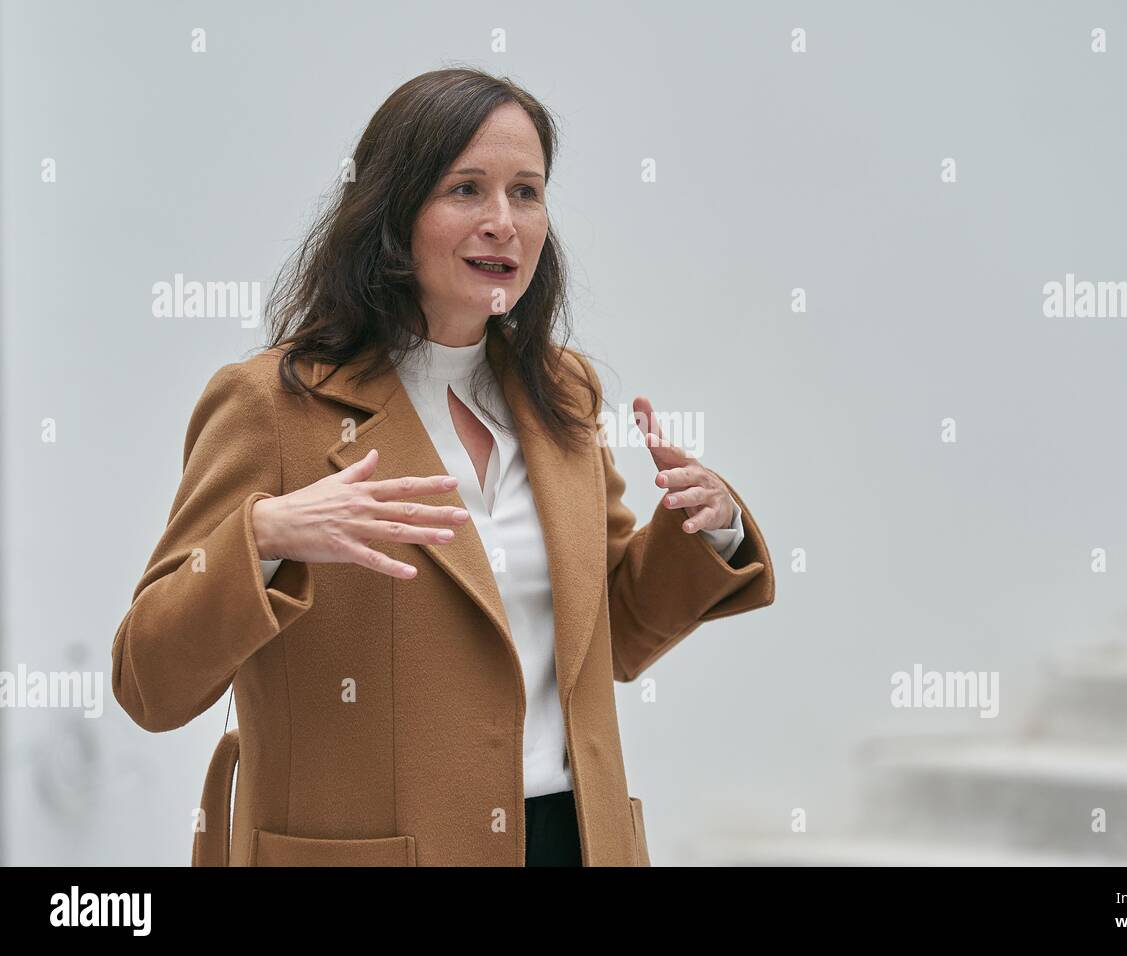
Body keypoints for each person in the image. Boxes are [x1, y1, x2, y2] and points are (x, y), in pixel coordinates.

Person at [111, 67, 775, 867]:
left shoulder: (563, 391)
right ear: (392, 212)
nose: (503, 222)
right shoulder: (269, 404)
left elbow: (615, 638)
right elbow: (147, 683)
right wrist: (262, 537)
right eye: (466, 189)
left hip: (574, 842)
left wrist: (707, 527)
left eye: (527, 193)